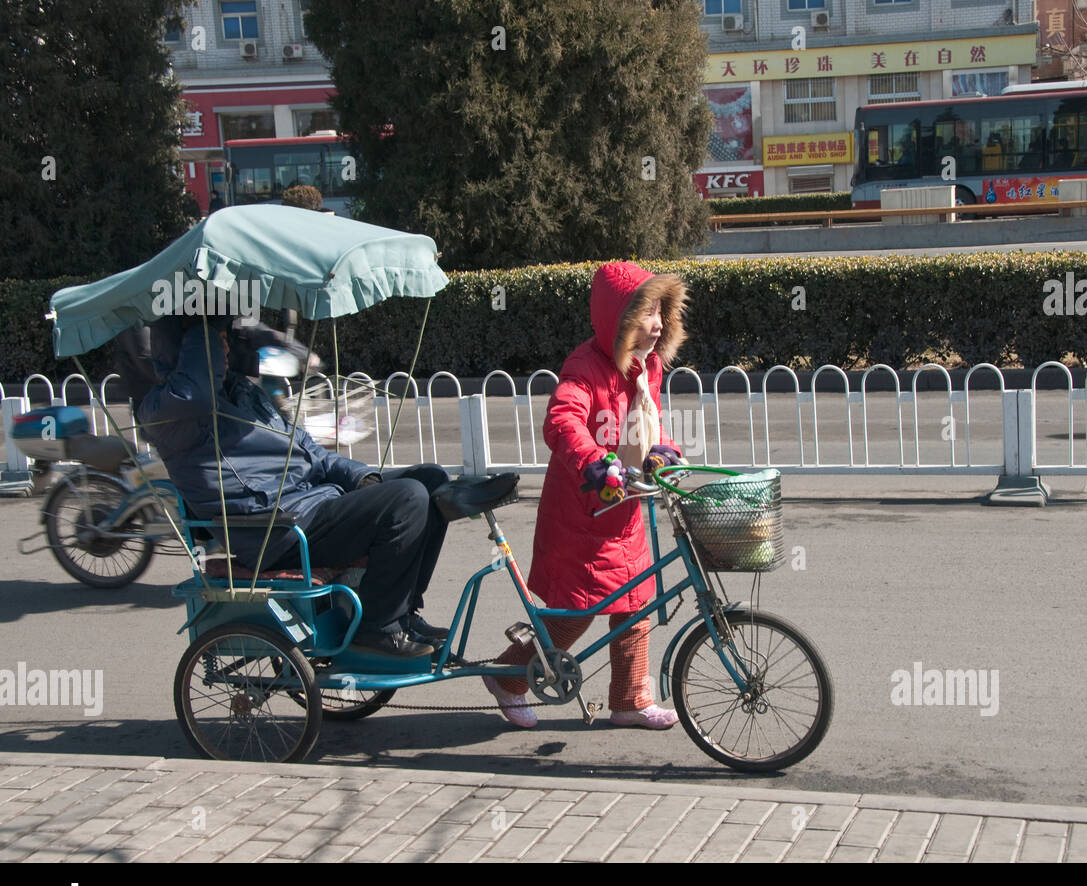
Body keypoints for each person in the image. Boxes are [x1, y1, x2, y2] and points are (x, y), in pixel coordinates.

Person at [134, 317, 450, 658]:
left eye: (224, 340)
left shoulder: (242, 391)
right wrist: (201, 327)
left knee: (430, 481)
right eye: (213, 343)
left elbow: (308, 451)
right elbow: (194, 391)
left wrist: (362, 478)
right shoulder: (167, 412)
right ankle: (379, 626)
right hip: (275, 529)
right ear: (189, 350)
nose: (223, 348)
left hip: (313, 505)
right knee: (407, 499)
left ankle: (404, 612)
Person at [482, 261, 687, 729]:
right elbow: (562, 420)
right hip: (581, 515)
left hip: (625, 508)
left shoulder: (647, 366)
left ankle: (630, 700)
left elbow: (647, 423)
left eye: (659, 312)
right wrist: (595, 461)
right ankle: (508, 678)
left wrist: (663, 451)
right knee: (575, 614)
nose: (656, 325)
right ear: (617, 321)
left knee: (636, 603)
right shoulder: (585, 366)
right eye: (644, 314)